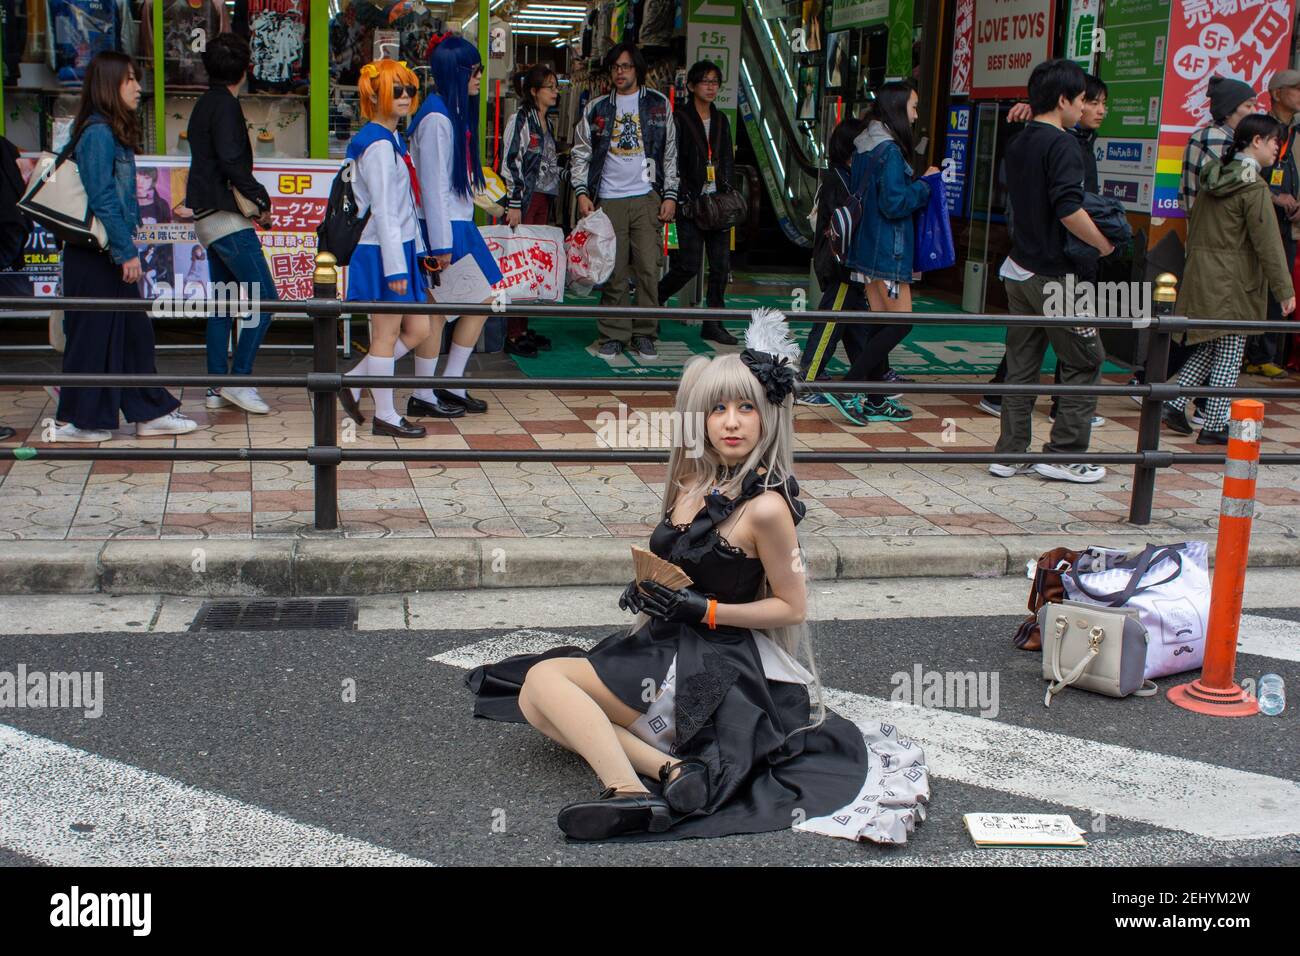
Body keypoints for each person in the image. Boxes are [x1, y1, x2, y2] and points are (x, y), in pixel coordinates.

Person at [464, 309, 929, 843]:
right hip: (663, 645)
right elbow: (681, 560)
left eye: (746, 408)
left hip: (715, 664)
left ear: (768, 416)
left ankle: (627, 790)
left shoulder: (768, 509)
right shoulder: (692, 478)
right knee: (533, 700)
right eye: (718, 409)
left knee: (545, 682)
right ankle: (671, 771)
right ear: (699, 419)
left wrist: (703, 609)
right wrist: (649, 590)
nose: (731, 422)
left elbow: (791, 607)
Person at [54, 51, 197, 443]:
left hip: (104, 251)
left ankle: (146, 412)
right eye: (130, 79)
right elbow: (102, 197)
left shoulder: (104, 130)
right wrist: (126, 251)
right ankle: (82, 421)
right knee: (93, 332)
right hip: (97, 252)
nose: (138, 87)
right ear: (110, 85)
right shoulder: (98, 132)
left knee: (133, 331)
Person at [990, 59, 1113, 484]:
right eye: (1081, 100)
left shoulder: (1020, 141)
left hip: (1018, 270)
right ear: (1063, 100)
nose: (1084, 109)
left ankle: (1010, 453)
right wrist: (1103, 244)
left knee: (1022, 364)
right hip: (1059, 276)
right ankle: (1064, 454)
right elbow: (1068, 208)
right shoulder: (1063, 146)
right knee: (1085, 361)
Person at [1163, 114, 1295, 444]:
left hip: (1204, 275)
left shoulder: (1216, 174)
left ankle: (1174, 402)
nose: (1277, 148)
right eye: (1274, 141)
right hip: (1234, 281)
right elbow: (1268, 242)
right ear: (1257, 142)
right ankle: (1215, 424)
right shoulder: (1253, 185)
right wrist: (1285, 289)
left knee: (1212, 345)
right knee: (1232, 350)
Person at [402, 32, 503, 419]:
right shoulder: (436, 118)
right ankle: (425, 391)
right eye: (474, 71)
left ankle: (447, 383)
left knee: (477, 303)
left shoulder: (445, 113)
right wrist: (441, 246)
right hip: (442, 229)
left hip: (455, 226)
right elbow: (431, 188)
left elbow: (448, 185)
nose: (478, 77)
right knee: (439, 312)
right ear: (456, 72)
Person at [336, 57, 432, 439]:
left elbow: (403, 207)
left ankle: (353, 381)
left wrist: (417, 253)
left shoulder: (389, 138)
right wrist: (396, 268)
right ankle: (386, 415)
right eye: (397, 89)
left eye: (410, 88)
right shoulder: (376, 144)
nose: (406, 96)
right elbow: (386, 212)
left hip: (398, 248)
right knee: (387, 335)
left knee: (418, 328)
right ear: (374, 96)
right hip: (381, 250)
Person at [185, 31, 278, 417]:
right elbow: (231, 162)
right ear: (245, 69)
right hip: (228, 220)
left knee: (222, 305)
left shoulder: (203, 104)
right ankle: (238, 380)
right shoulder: (225, 106)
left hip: (207, 219)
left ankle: (215, 387)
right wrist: (261, 201)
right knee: (266, 300)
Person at [838, 80, 939, 424]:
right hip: (889, 250)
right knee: (900, 323)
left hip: (864, 247)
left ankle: (876, 399)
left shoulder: (864, 144)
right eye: (912, 108)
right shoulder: (891, 151)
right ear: (897, 108)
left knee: (881, 324)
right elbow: (895, 202)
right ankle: (851, 386)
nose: (914, 116)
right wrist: (924, 187)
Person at [570, 41, 678, 360]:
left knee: (648, 266)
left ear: (638, 69)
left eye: (626, 66)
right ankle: (614, 333)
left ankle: (645, 332)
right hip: (608, 199)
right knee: (613, 270)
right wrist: (581, 192)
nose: (620, 72)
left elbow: (670, 154)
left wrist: (669, 195)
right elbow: (581, 153)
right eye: (616, 67)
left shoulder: (659, 105)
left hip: (647, 197)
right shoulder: (597, 107)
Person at [656, 59, 738, 346]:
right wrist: (679, 195)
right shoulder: (679, 118)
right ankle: (653, 302)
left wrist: (726, 191)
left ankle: (713, 322)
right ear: (691, 86)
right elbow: (672, 159)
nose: (711, 87)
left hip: (717, 204)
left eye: (715, 82)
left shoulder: (721, 120)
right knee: (688, 265)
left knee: (721, 266)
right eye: (705, 81)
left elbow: (727, 157)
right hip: (690, 203)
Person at [798, 116, 872, 410]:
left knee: (856, 324)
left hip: (844, 264)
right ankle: (808, 378)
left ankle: (869, 376)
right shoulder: (838, 179)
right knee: (831, 321)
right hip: (841, 264)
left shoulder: (843, 176)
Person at [499, 63, 560, 359]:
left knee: (534, 265)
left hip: (544, 198)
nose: (556, 92)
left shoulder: (546, 120)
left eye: (556, 86)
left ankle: (522, 327)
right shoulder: (521, 119)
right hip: (525, 200)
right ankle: (514, 332)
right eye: (550, 87)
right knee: (520, 264)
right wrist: (513, 202)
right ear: (534, 91)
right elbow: (511, 160)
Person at [1244, 70, 1300, 379]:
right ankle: (1253, 353)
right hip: (1259, 219)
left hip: (1289, 225)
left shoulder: (1297, 130)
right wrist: (1274, 197)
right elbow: (1243, 172)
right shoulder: (1261, 127)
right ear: (1276, 93)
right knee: (1258, 283)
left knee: (1282, 284)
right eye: (1296, 88)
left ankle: (1268, 353)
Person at [1180, 75, 1258, 214]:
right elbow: (1243, 190)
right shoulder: (1219, 141)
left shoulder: (1203, 136)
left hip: (1200, 225)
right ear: (1228, 111)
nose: (1254, 111)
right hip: (1217, 227)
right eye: (1248, 105)